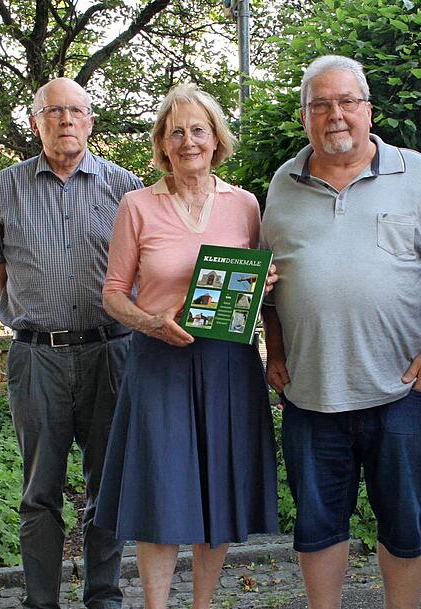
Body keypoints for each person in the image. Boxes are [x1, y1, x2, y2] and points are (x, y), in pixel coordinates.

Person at [260, 55, 421, 609]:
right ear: (304, 114)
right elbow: (268, 283)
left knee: (404, 522)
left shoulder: (419, 174)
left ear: (368, 109)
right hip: (310, 391)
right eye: (321, 103)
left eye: (347, 101)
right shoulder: (283, 183)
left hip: (399, 390)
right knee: (318, 526)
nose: (336, 114)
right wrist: (275, 350)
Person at [93, 83, 278, 609]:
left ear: (217, 139)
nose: (189, 141)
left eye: (199, 129)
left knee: (216, 492)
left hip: (227, 364)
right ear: (163, 144)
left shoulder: (244, 205)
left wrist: (263, 283)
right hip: (159, 364)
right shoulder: (137, 205)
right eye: (177, 132)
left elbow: (257, 282)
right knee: (162, 492)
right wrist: (149, 322)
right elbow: (112, 294)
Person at [0, 77, 142, 609]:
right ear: (35, 123)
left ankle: (103, 596)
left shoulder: (125, 186)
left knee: (106, 485)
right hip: (36, 356)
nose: (66, 120)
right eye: (53, 111)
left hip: (109, 353)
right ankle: (40, 600)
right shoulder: (5, 185)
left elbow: (141, 270)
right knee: (39, 491)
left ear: (91, 121)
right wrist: (19, 324)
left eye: (76, 111)